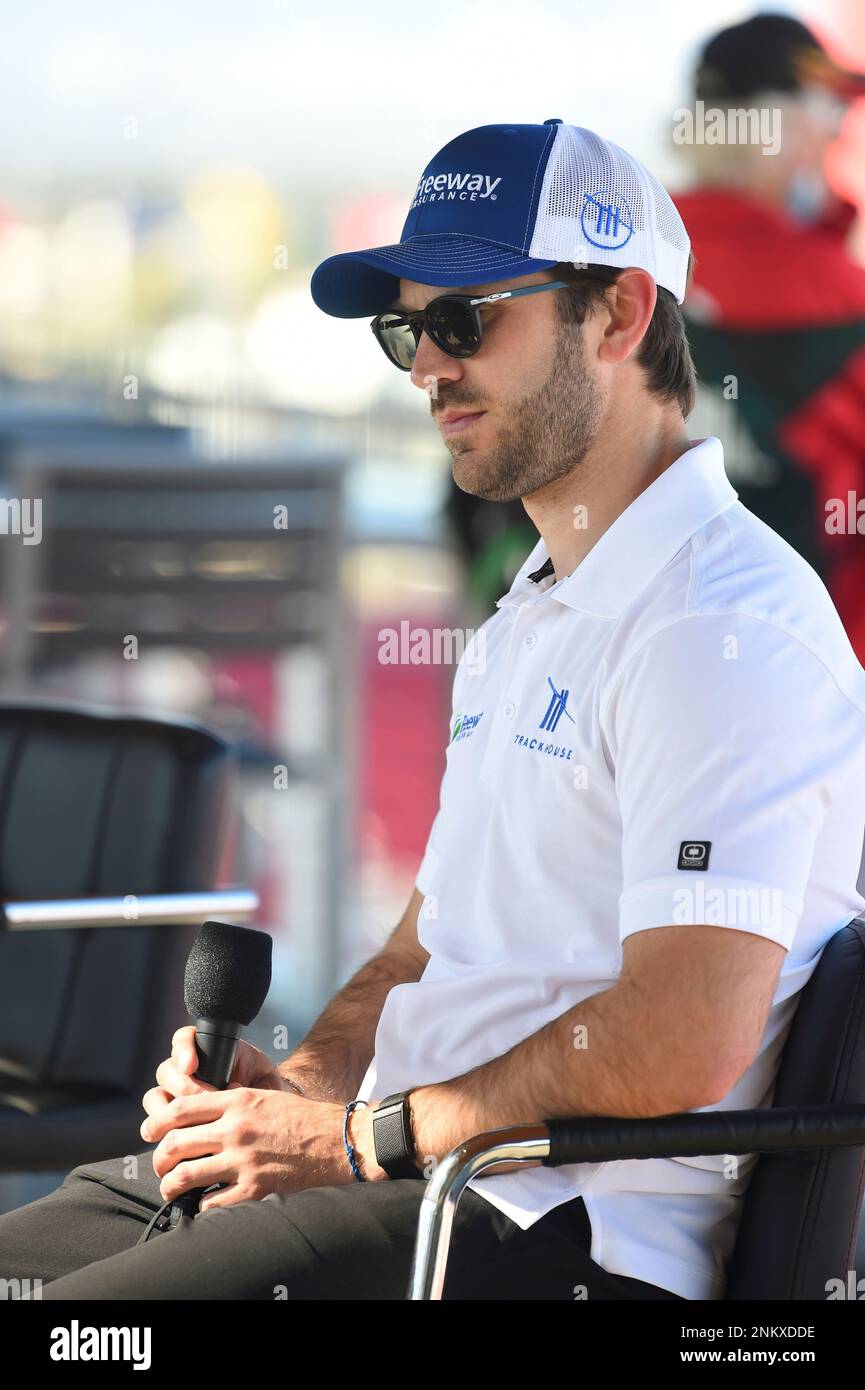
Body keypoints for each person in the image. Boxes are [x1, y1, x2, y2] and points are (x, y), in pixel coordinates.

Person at [4, 119, 865, 1302]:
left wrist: (360, 1140)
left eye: (463, 321)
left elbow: (684, 1027)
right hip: (415, 1179)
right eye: (405, 329)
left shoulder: (721, 628)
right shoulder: (534, 605)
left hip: (550, 1225)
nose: (424, 370)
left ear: (615, 314)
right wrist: (302, 1086)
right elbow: (423, 945)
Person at [672, 13, 865, 664]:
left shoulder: (617, 274)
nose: (838, 131)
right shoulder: (843, 300)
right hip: (819, 681)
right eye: (828, 108)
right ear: (773, 127)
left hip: (634, 679)